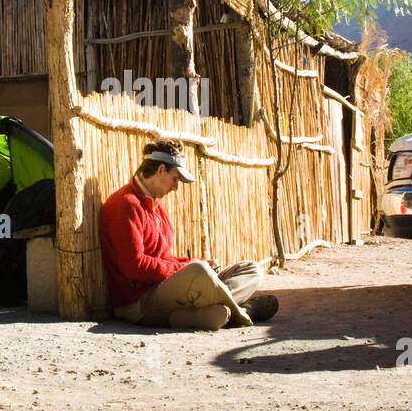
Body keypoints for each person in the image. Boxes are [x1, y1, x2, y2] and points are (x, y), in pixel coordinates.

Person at [98, 140, 279, 330]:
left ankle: (199, 315)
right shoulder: (125, 205)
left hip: (167, 291)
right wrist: (185, 267)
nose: (176, 187)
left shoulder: (155, 205)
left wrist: (192, 260)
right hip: (138, 303)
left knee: (250, 269)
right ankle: (243, 313)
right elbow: (134, 266)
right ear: (161, 170)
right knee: (199, 272)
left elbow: (162, 258)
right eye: (175, 179)